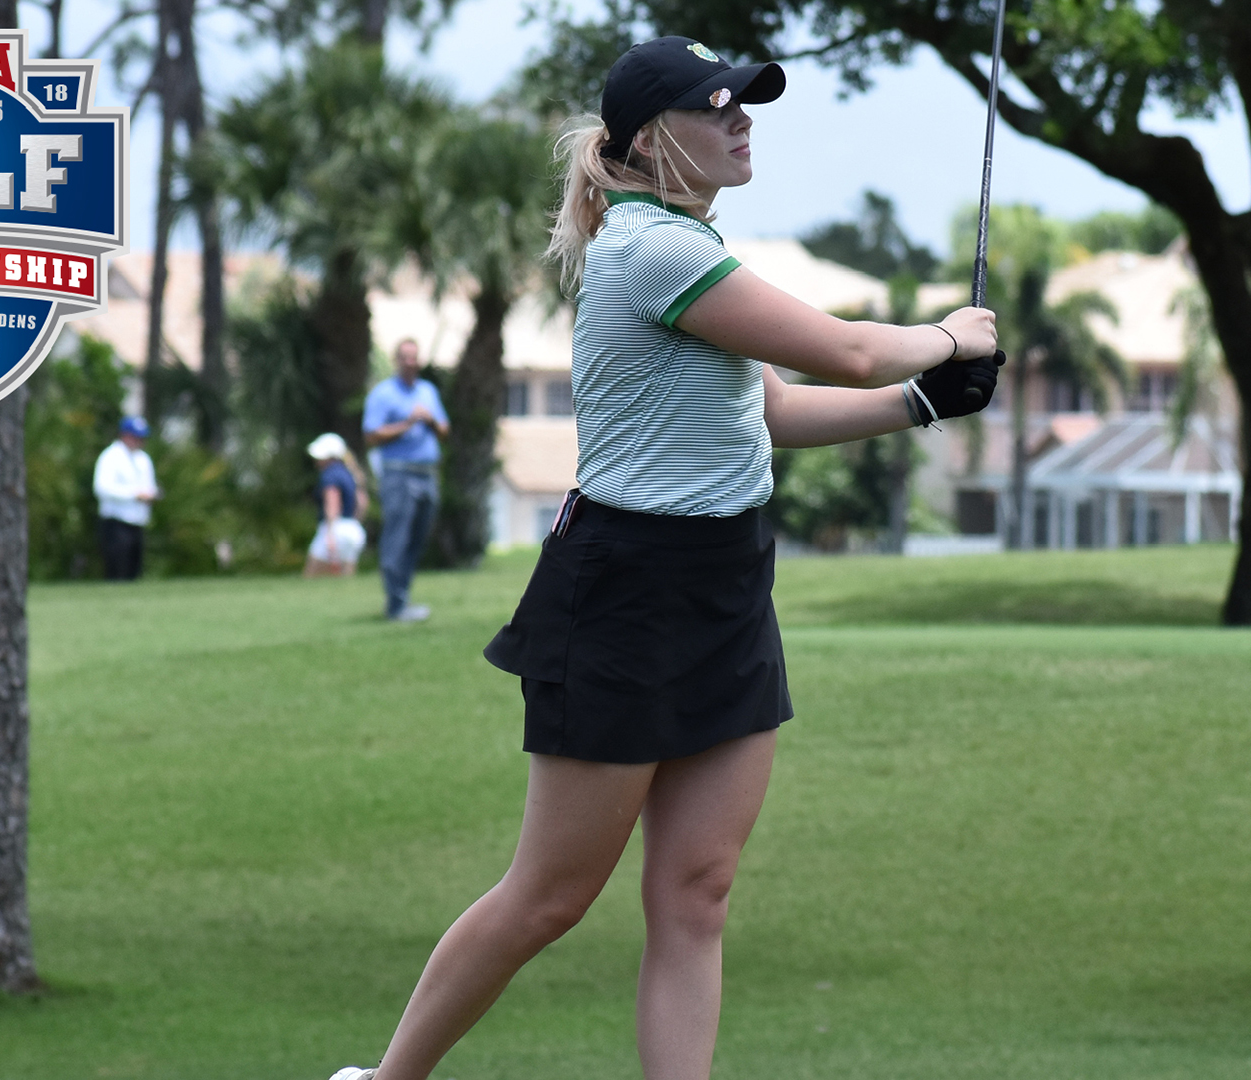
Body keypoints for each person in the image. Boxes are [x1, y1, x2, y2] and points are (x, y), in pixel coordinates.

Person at [325, 37, 998, 1080]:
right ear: (648, 140)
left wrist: (916, 403)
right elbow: (850, 348)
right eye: (719, 105)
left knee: (697, 892)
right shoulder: (652, 250)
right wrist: (946, 338)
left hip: (727, 585)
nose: (743, 121)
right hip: (626, 591)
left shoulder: (691, 244)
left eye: (745, 106)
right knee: (549, 897)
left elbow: (767, 408)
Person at [363, 338, 450, 621]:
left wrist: (431, 421)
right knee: (397, 537)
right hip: (399, 474)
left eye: (414, 357)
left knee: (418, 538)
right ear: (396, 360)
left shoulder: (428, 391)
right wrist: (408, 423)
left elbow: (444, 429)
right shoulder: (383, 394)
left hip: (428, 474)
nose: (410, 362)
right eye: (405, 357)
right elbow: (371, 436)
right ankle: (395, 605)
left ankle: (402, 597)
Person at [92, 416, 159, 580]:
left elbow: (149, 485)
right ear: (125, 435)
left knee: (134, 571)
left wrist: (152, 494)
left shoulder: (143, 459)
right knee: (117, 571)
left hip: (138, 522)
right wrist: (134, 495)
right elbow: (102, 488)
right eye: (136, 437)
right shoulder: (110, 457)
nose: (139, 441)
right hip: (116, 523)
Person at [305, 433, 369, 576]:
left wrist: (330, 534)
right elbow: (362, 503)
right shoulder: (351, 473)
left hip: (335, 529)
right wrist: (354, 523)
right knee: (344, 582)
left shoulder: (330, 474)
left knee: (310, 579)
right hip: (353, 529)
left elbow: (332, 503)